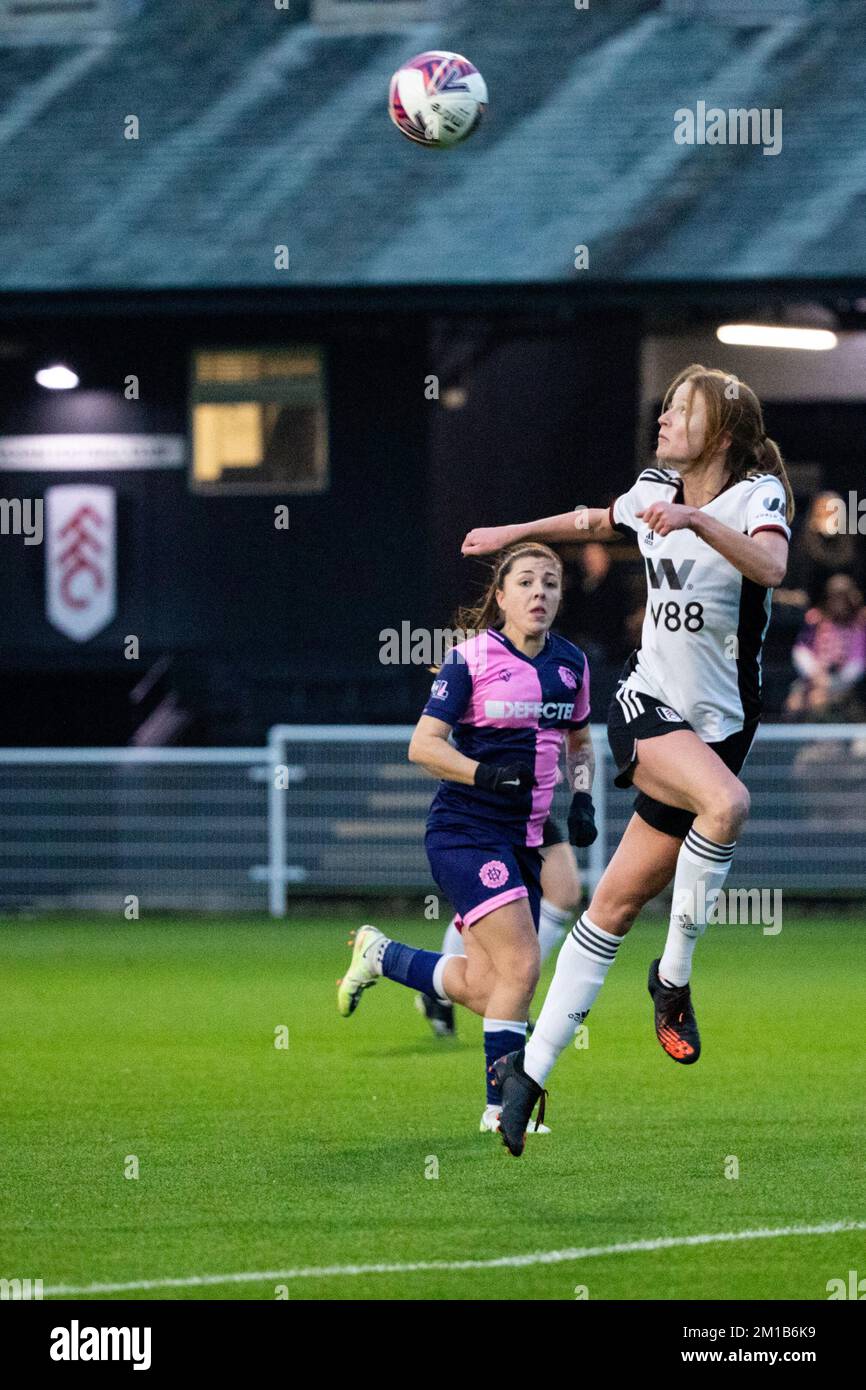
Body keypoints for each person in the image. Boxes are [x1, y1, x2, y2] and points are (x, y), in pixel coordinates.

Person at [462, 363, 792, 1155]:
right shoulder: (651, 487)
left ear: (720, 431)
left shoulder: (756, 499)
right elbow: (591, 520)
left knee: (609, 906)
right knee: (730, 807)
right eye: (667, 405)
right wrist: (512, 535)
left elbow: (773, 567)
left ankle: (529, 1076)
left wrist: (696, 521)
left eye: (682, 409)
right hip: (646, 709)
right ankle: (673, 982)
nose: (665, 418)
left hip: (719, 729)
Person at [337, 543, 597, 1135]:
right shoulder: (470, 659)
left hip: (525, 839)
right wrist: (485, 773)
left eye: (551, 583)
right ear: (500, 597)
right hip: (466, 832)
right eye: (526, 582)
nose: (540, 593)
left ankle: (381, 955)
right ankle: (501, 1108)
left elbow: (580, 745)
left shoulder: (572, 664)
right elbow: (423, 746)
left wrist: (581, 797)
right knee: (523, 965)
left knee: (486, 987)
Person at [784, 573, 866, 720]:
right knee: (794, 704)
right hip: (813, 676)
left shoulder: (858, 624)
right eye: (834, 598)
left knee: (819, 700)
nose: (838, 603)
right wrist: (814, 673)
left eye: (842, 598)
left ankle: (825, 740)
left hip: (844, 682)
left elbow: (859, 658)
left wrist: (837, 681)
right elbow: (801, 649)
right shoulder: (815, 619)